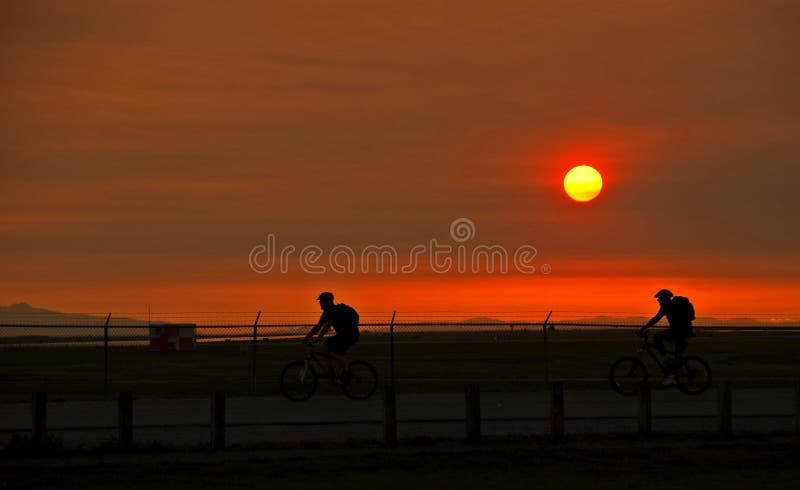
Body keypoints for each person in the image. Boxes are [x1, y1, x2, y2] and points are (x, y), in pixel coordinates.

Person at [637, 289, 695, 386]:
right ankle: (669, 363)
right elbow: (655, 319)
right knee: (673, 352)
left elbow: (655, 319)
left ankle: (671, 375)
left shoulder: (667, 306)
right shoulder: (668, 306)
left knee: (659, 339)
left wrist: (642, 329)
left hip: (681, 332)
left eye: (659, 298)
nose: (658, 300)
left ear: (664, 298)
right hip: (680, 332)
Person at [302, 292, 360, 383]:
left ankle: (343, 372)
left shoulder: (334, 311)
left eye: (321, 301)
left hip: (350, 335)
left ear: (328, 302)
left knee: (327, 347)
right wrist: (306, 338)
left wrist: (318, 338)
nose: (320, 303)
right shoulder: (326, 313)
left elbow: (327, 325)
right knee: (328, 349)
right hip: (344, 335)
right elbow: (318, 327)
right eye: (320, 301)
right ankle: (334, 374)